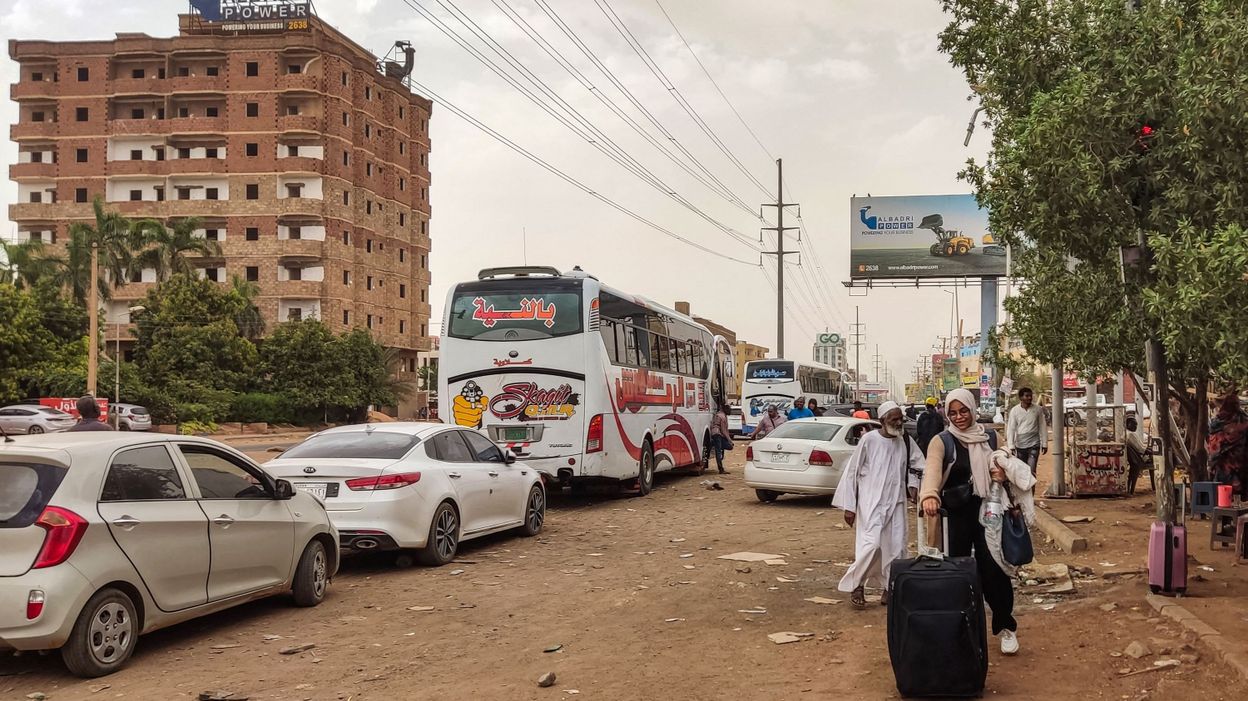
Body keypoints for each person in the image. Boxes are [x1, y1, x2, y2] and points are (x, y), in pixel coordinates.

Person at [919, 389, 1020, 656]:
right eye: (952, 412)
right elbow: (931, 470)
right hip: (954, 517)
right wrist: (929, 495)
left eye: (963, 411)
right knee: (955, 574)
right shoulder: (942, 441)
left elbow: (1007, 463)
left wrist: (1002, 473)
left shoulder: (991, 437)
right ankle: (960, 630)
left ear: (972, 409)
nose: (959, 417)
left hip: (989, 513)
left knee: (994, 571)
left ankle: (1006, 626)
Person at [832, 401, 923, 609]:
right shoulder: (869, 440)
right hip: (870, 502)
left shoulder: (905, 441)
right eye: (894, 419)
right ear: (882, 421)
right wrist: (849, 506)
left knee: (896, 548)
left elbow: (918, 465)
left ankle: (889, 589)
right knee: (870, 546)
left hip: (896, 503)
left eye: (900, 418)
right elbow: (852, 472)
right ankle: (857, 585)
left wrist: (913, 485)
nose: (899, 422)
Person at [1208, 391, 1248, 500]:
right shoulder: (1244, 420)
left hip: (1223, 464)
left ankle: (1225, 513)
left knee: (1224, 493)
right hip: (1239, 464)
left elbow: (1213, 442)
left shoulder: (1217, 421)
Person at [1005, 387, 1048, 476]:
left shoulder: (1037, 409)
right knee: (1022, 472)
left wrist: (1044, 444)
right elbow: (1011, 428)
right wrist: (1011, 445)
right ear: (1021, 398)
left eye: (1030, 396)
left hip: (1034, 445)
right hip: (1020, 446)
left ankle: (1032, 490)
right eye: (1026, 396)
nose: (1029, 398)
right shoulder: (1015, 411)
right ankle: (1024, 490)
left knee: (1031, 471)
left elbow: (1042, 426)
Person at [1124, 416, 1151, 495]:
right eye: (1134, 425)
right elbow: (1141, 449)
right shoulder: (1131, 435)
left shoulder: (1126, 433)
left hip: (1135, 458)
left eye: (1136, 425)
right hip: (1139, 458)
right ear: (1128, 424)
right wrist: (1151, 450)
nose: (1135, 427)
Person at [708, 404, 732, 474]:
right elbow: (724, 430)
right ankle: (721, 469)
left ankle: (712, 444)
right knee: (719, 451)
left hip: (715, 434)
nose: (730, 411)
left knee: (720, 449)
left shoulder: (718, 415)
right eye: (729, 410)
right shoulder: (723, 417)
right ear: (726, 410)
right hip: (718, 434)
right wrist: (729, 440)